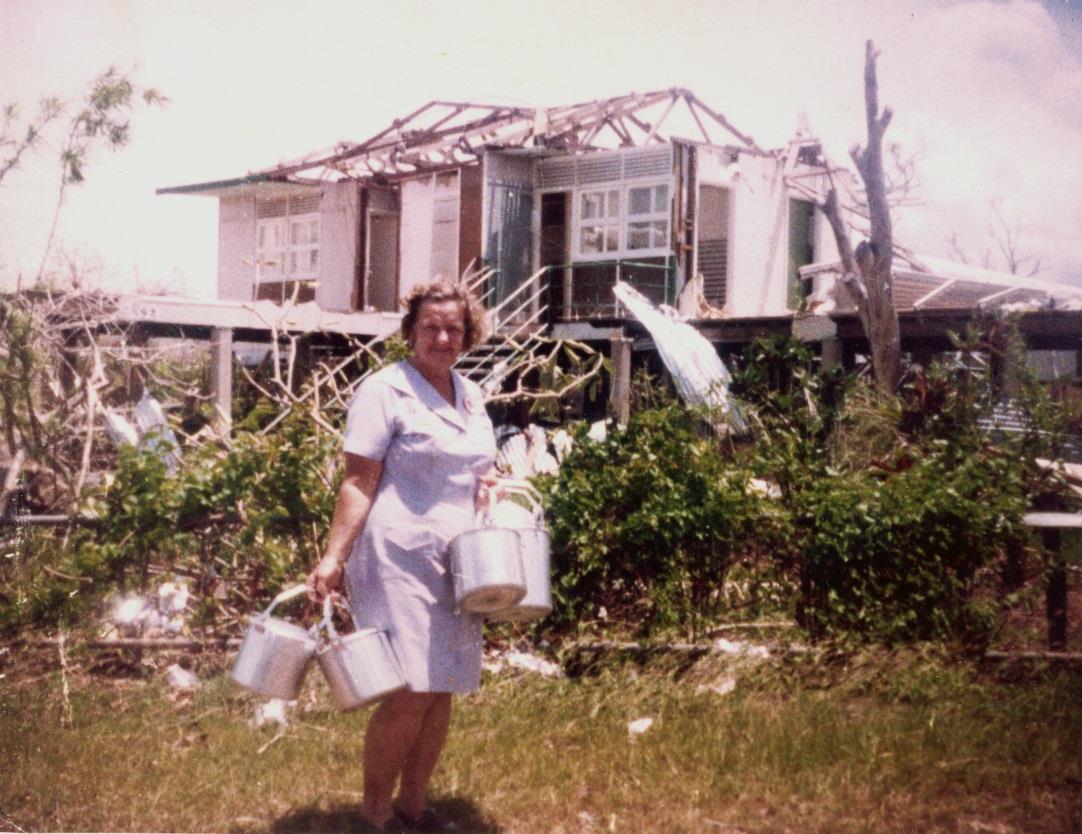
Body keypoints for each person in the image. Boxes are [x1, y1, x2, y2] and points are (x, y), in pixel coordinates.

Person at [308, 280, 497, 832]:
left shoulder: (471, 393)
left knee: (443, 689)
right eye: (431, 327)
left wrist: (487, 489)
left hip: (461, 561)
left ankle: (414, 804)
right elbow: (358, 482)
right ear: (412, 331)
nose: (442, 337)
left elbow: (470, 469)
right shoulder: (384, 391)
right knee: (411, 690)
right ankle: (374, 812)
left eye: (454, 328)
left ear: (468, 335)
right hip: (397, 557)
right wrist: (332, 559)